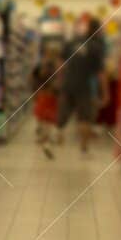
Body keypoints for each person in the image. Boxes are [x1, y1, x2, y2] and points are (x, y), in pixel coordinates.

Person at [45, 13, 105, 158]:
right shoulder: (95, 47)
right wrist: (105, 93)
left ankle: (49, 143)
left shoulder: (72, 42)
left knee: (61, 117)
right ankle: (84, 151)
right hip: (83, 87)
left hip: (67, 84)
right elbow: (100, 73)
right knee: (85, 118)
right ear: (96, 30)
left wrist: (59, 80)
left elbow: (60, 63)